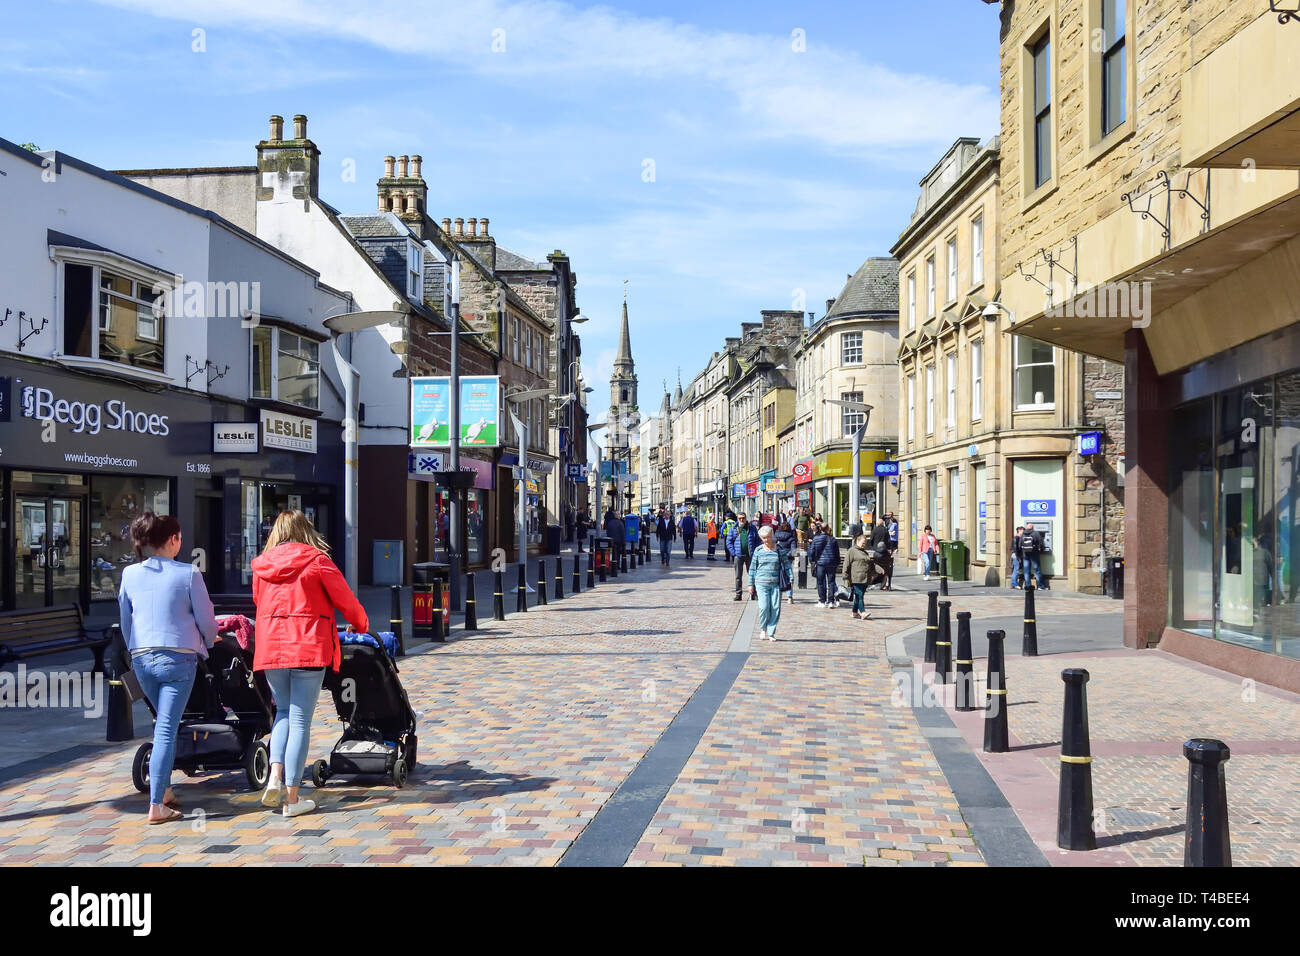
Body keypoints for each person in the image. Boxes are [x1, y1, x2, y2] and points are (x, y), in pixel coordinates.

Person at [252, 510, 369, 819]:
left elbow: (257, 602)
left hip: (272, 649)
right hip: (307, 646)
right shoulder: (317, 561)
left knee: (283, 714)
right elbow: (346, 601)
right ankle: (292, 798)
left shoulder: (261, 567)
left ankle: (274, 778)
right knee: (301, 720)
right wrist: (361, 624)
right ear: (306, 530)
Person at [118, 513, 218, 824]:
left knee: (161, 723)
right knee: (165, 728)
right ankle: (156, 805)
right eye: (180, 538)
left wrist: (136, 648)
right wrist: (210, 642)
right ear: (173, 540)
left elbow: (125, 621)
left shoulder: (129, 574)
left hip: (141, 656)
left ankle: (163, 791)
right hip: (178, 658)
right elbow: (207, 621)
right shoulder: (188, 573)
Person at [748, 525, 784, 642]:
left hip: (775, 583)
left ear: (772, 536)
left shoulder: (778, 549)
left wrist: (791, 579)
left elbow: (786, 565)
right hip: (761, 583)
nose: (766, 540)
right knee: (764, 607)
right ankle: (763, 628)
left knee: (775, 608)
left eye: (768, 537)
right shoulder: (758, 551)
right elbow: (752, 568)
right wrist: (750, 584)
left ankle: (771, 632)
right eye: (763, 538)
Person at [807, 521, 842, 608]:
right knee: (831, 582)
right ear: (827, 528)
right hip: (831, 563)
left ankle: (822, 601)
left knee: (820, 582)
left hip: (820, 563)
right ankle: (831, 601)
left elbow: (811, 551)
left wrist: (812, 561)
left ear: (820, 529)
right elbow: (837, 553)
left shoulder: (816, 539)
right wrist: (837, 562)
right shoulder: (833, 539)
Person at [728, 513, 759, 601]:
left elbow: (757, 540)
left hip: (750, 556)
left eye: (743, 518)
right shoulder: (733, 528)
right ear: (737, 519)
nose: (742, 520)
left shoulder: (752, 528)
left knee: (753, 575)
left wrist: (755, 552)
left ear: (746, 518)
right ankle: (738, 594)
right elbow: (729, 542)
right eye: (740, 518)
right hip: (738, 556)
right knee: (738, 576)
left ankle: (754, 594)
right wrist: (734, 553)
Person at [843, 533, 874, 620]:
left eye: (865, 543)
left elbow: (871, 564)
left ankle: (854, 612)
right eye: (863, 543)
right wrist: (845, 577)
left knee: (858, 596)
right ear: (857, 541)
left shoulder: (864, 552)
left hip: (865, 578)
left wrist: (881, 570)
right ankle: (863, 612)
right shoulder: (852, 551)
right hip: (856, 578)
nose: (864, 545)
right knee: (859, 595)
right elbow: (846, 564)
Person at [774, 518, 797, 605]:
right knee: (789, 577)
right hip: (788, 560)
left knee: (777, 576)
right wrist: (787, 555)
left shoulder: (775, 536)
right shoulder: (791, 538)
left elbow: (772, 547)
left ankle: (777, 595)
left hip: (777, 558)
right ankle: (789, 597)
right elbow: (793, 550)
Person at [1018, 521, 1048, 589]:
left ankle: (1028, 586)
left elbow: (1019, 545)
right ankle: (1040, 586)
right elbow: (1041, 543)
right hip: (1034, 554)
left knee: (1026, 571)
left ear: (1026, 528)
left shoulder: (1023, 534)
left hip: (1025, 554)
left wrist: (1021, 553)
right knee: (1037, 570)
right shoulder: (1036, 533)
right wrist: (1041, 550)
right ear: (1033, 528)